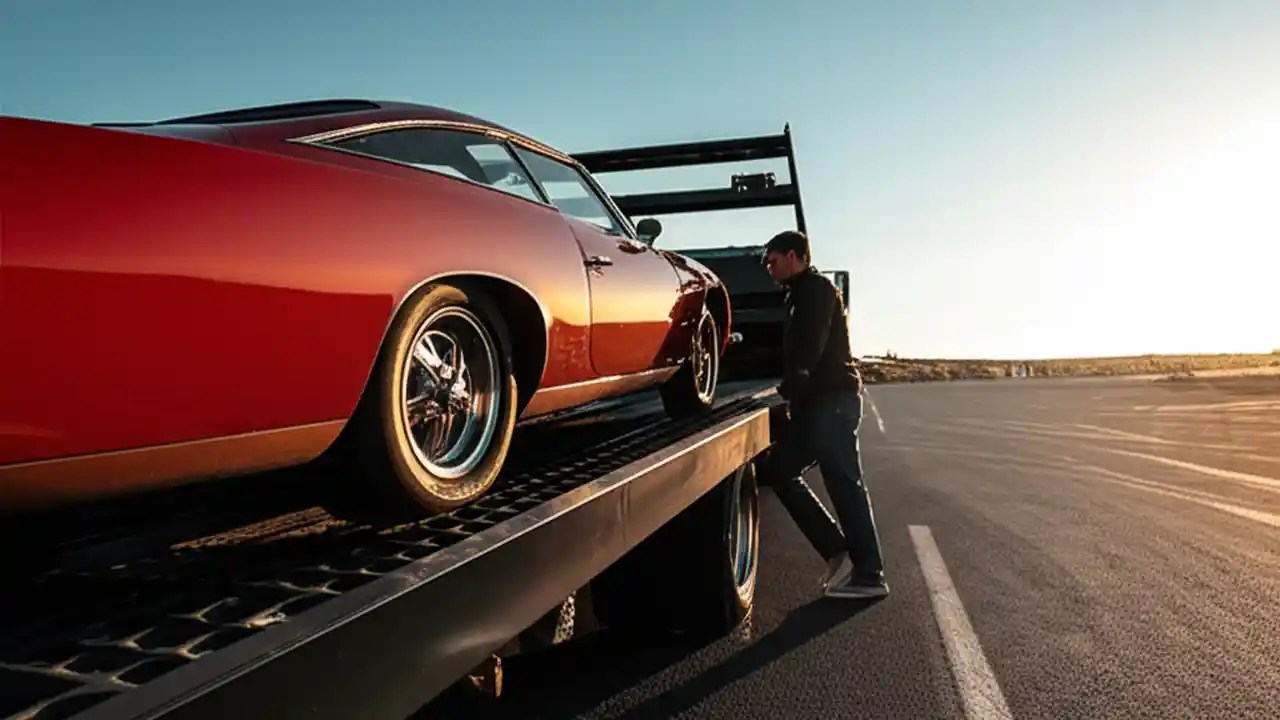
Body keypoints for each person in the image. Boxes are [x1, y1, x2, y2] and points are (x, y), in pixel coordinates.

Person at [758, 230, 888, 599]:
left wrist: (788, 391)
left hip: (834, 401)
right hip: (815, 404)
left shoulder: (817, 291)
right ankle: (838, 552)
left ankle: (869, 574)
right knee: (780, 470)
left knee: (843, 481)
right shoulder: (795, 295)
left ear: (796, 256)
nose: (769, 268)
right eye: (766, 262)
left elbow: (810, 347)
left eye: (774, 260)